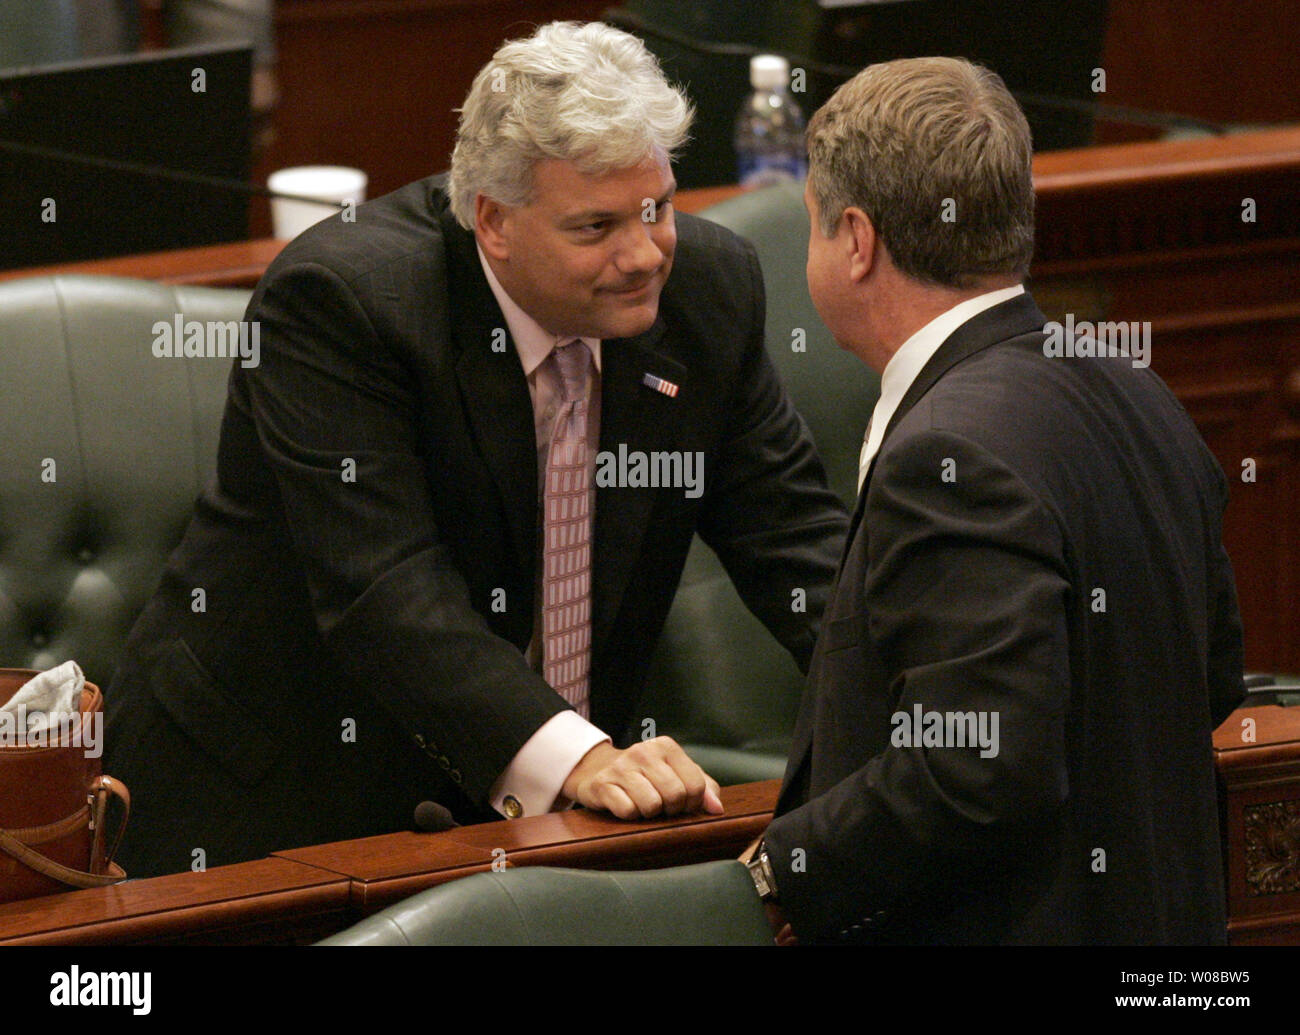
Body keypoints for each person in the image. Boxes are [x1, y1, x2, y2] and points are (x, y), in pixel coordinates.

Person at [103, 21, 847, 877]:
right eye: (595, 226)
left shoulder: (708, 291)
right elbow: (389, 594)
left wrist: (918, 696)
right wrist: (582, 760)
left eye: (659, 208)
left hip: (547, 824)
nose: (644, 255)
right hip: (272, 807)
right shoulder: (343, 303)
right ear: (493, 220)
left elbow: (795, 541)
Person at [744, 56, 1245, 944]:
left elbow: (974, 764)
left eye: (817, 226)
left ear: (857, 240)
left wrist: (786, 870)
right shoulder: (1142, 394)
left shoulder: (946, 451)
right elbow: (1212, 679)